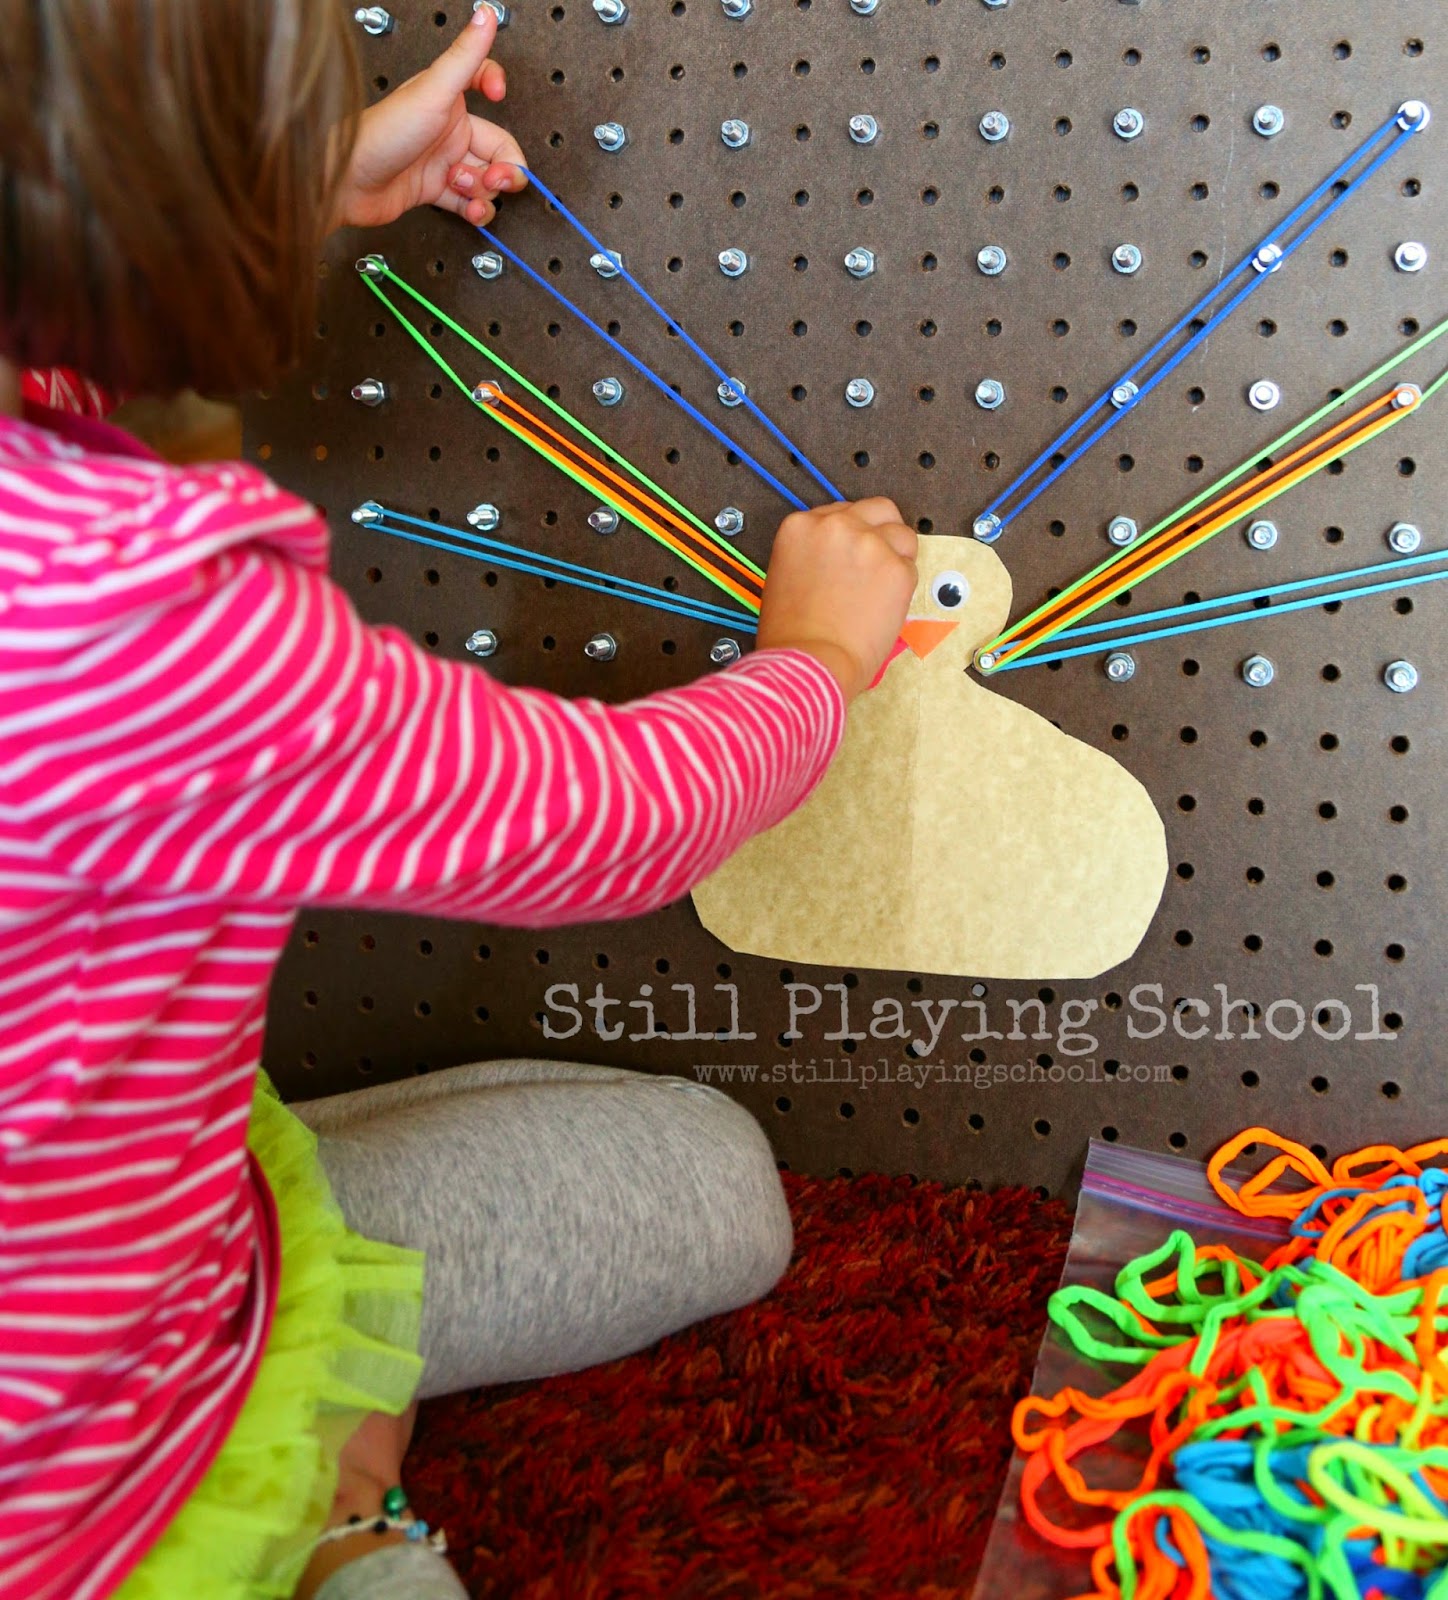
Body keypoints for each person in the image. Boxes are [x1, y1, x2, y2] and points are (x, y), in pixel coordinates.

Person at [0, 6, 918, 1598]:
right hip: (87, 1485)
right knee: (712, 1187)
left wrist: (272, 185)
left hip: (85, 1239)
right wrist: (819, 659)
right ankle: (346, 1531)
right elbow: (614, 821)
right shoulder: (127, 614)